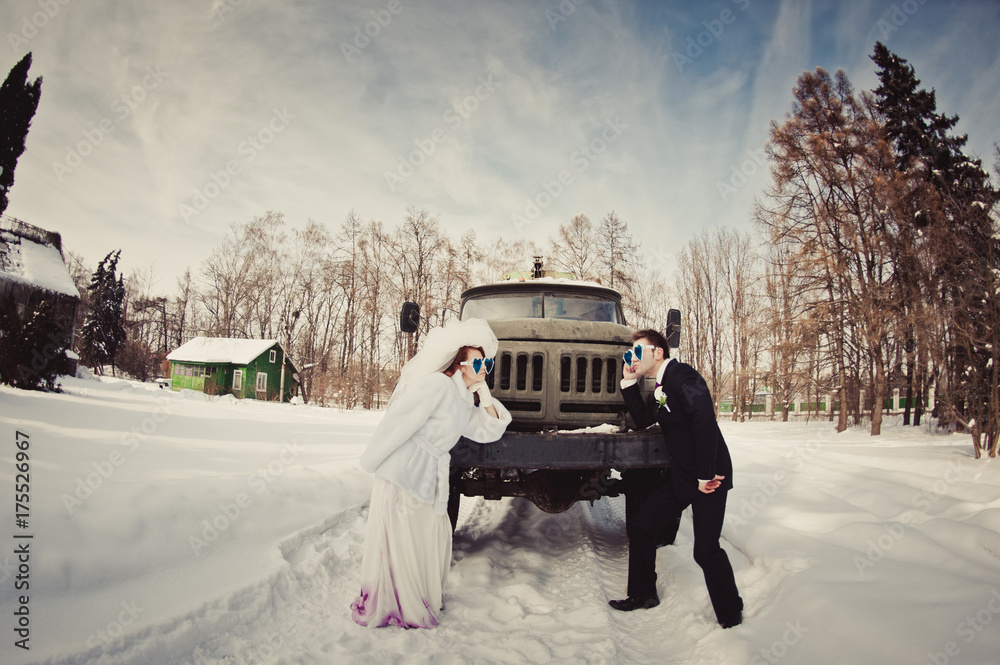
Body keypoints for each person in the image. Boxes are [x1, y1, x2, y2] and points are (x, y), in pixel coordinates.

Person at [351, 318, 512, 629]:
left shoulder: (464, 400)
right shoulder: (437, 385)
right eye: (478, 362)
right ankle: (400, 604)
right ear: (460, 363)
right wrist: (374, 460)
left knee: (432, 536)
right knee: (404, 539)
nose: (484, 367)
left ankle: (422, 595)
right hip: (403, 472)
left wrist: (483, 392)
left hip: (431, 476)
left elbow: (490, 429)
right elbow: (399, 421)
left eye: (487, 362)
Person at [609, 328, 743, 629]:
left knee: (705, 550)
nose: (631, 357)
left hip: (711, 477)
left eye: (637, 351)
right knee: (643, 525)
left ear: (658, 353)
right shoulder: (661, 386)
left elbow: (704, 420)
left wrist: (705, 475)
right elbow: (644, 420)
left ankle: (732, 614)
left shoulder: (684, 376)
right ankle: (643, 595)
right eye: (628, 353)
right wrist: (629, 382)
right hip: (684, 478)